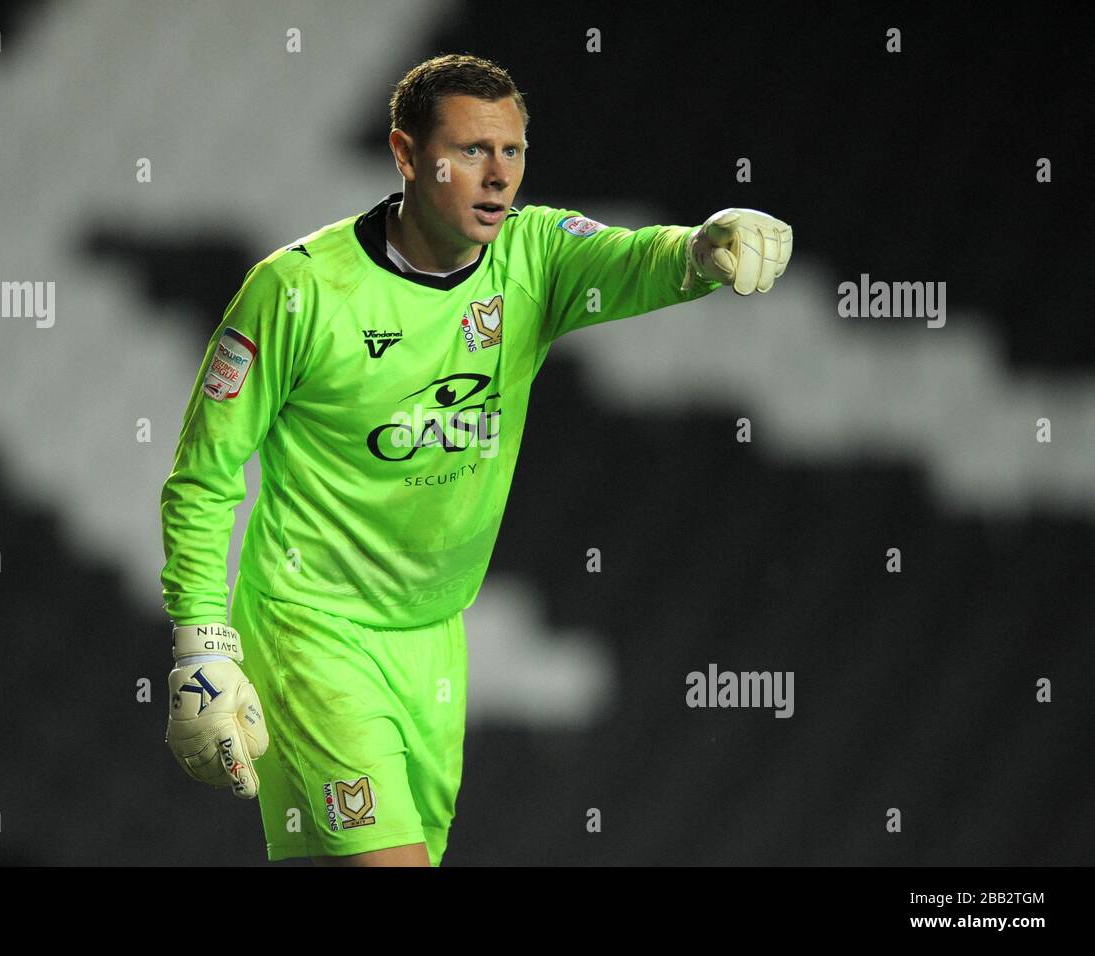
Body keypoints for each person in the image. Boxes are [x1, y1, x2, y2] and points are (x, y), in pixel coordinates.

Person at [159, 52, 793, 867]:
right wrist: (201, 645)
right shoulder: (298, 293)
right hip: (312, 626)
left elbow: (636, 259)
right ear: (405, 154)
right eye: (470, 152)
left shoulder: (534, 257)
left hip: (432, 637)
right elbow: (205, 474)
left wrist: (706, 247)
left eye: (513, 152)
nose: (498, 178)